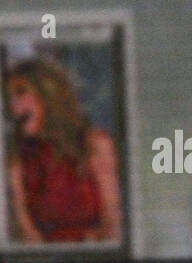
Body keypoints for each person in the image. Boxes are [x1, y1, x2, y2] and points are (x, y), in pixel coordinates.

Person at [4, 58, 122, 245]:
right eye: (7, 98)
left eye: (21, 93)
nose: (12, 105)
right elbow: (23, 231)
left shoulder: (95, 145)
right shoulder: (17, 158)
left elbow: (113, 223)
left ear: (48, 94)